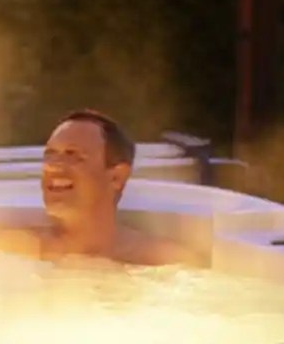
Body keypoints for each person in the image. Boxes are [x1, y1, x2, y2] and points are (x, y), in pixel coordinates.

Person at [34, 109, 199, 266]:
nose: (52, 166)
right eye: (50, 155)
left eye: (73, 155)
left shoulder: (166, 261)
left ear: (116, 177)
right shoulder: (21, 251)